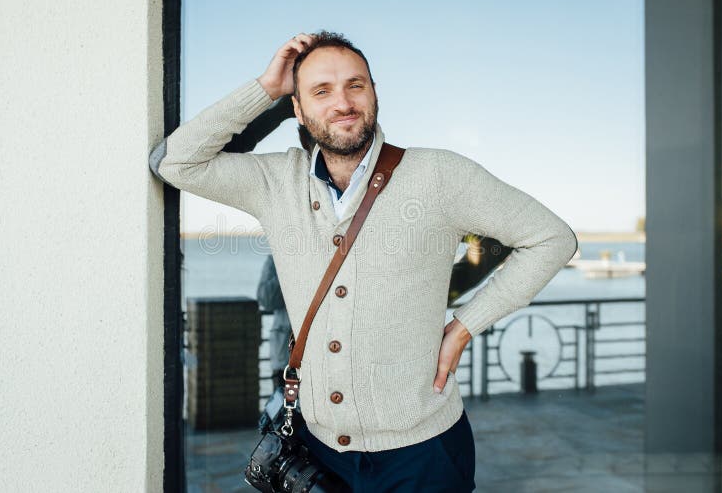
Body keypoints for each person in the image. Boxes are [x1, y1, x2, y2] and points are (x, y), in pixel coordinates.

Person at [149, 31, 578, 492]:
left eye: (356, 85)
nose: (343, 102)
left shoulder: (440, 174)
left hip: (425, 453)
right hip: (316, 454)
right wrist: (265, 88)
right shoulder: (274, 181)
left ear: (374, 93)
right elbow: (175, 163)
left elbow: (552, 238)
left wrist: (466, 324)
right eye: (321, 90)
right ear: (296, 108)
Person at [256, 254, 292, 389]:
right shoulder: (276, 259)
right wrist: (288, 268)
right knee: (286, 406)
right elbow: (266, 300)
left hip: (317, 354)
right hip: (285, 356)